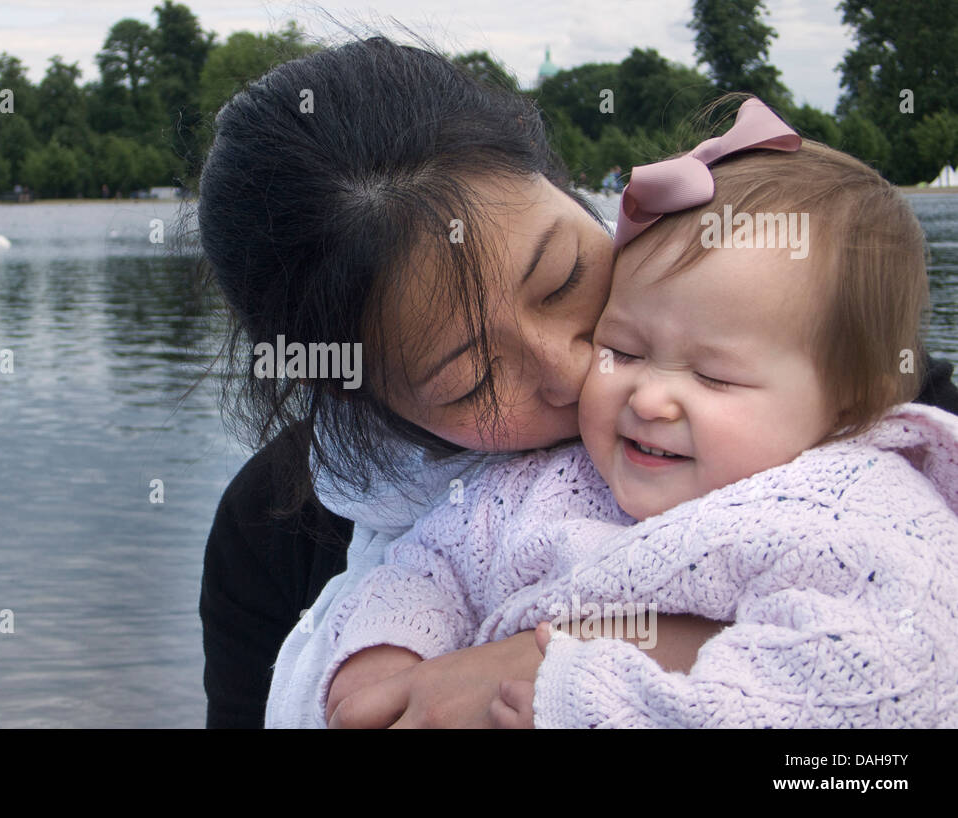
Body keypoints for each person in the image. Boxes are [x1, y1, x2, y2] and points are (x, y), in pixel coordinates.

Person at [196, 36, 958, 729]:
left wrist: (549, 660)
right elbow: (426, 572)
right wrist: (380, 663)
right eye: (471, 382)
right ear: (358, 397)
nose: (578, 371)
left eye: (562, 280)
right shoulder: (276, 537)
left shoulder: (871, 421)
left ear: (558, 180)